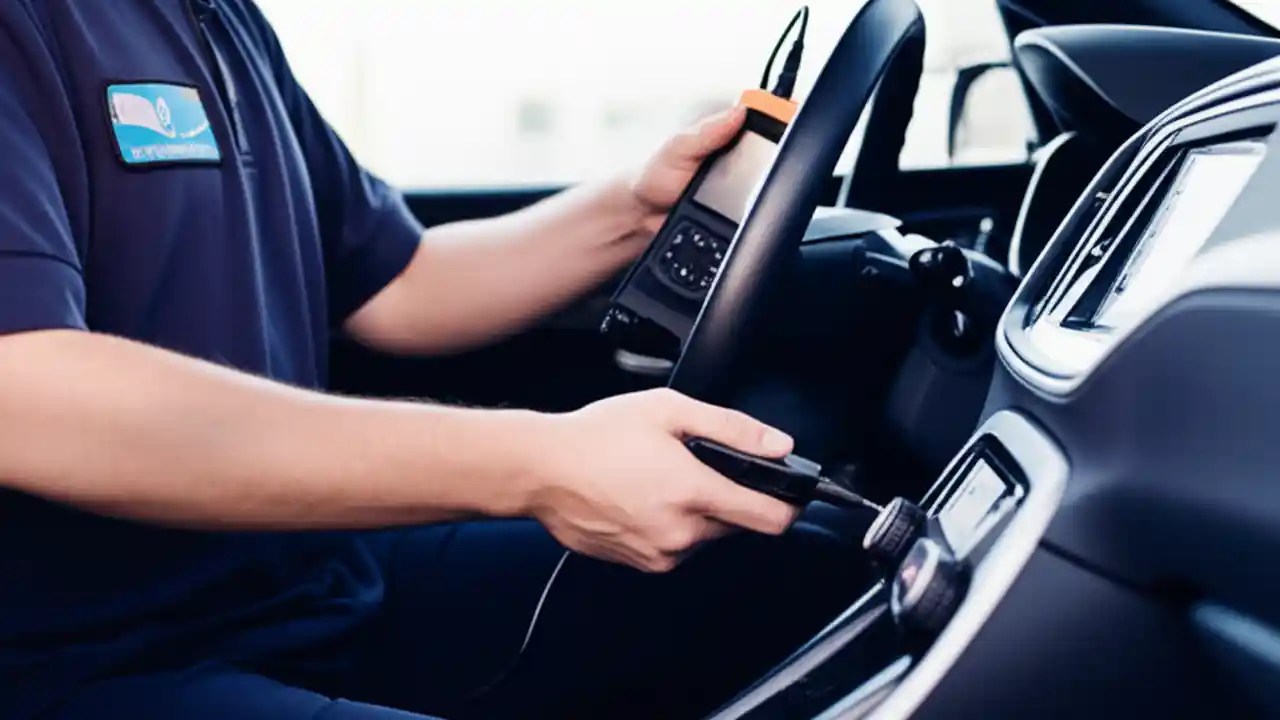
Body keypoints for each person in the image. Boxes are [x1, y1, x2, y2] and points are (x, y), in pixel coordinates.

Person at [0, 1, 870, 718]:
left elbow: (398, 284)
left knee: (802, 571)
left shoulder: (213, 19)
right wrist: (537, 462)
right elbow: (28, 395)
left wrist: (635, 212)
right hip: (93, 660)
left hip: (304, 575)